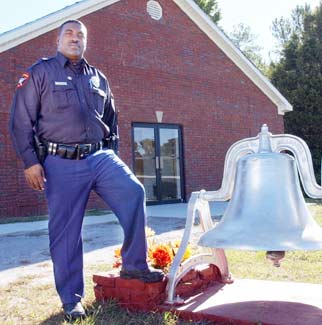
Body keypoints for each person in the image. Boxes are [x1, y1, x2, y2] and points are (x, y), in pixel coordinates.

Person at [9, 19, 163, 320]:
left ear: (86, 41)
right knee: (66, 232)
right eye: (69, 33)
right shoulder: (41, 72)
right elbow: (19, 120)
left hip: (100, 157)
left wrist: (111, 155)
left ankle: (134, 264)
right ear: (58, 40)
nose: (75, 38)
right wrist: (31, 162)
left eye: (80, 35)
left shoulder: (98, 78)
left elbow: (112, 121)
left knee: (133, 191)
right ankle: (71, 299)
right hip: (60, 162)